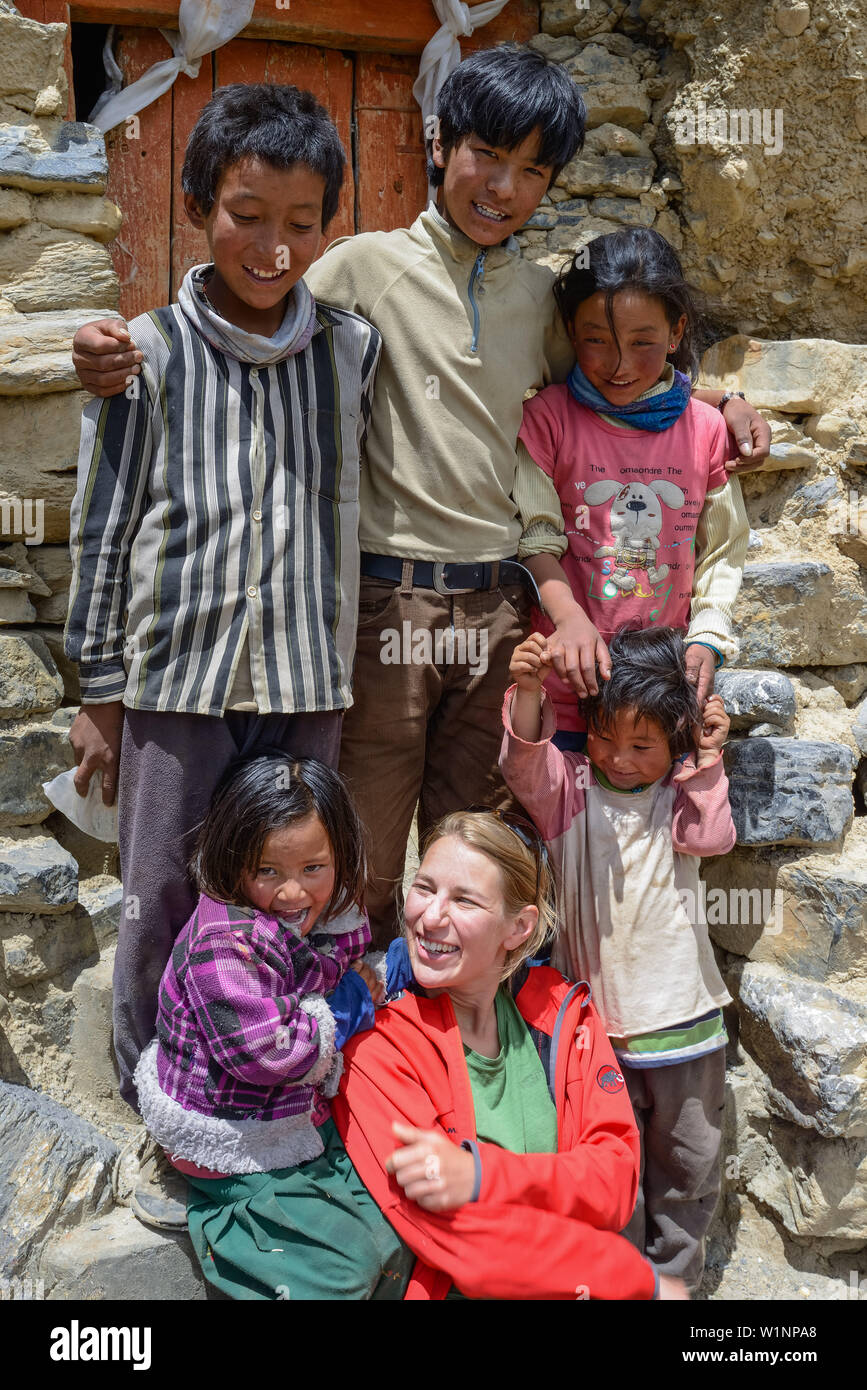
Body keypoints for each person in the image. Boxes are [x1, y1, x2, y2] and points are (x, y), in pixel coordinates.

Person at [69, 47, 770, 947]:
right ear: (439, 144)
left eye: (532, 171)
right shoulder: (360, 266)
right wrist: (114, 346)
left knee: (474, 832)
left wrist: (717, 399)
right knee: (357, 828)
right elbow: (247, 304)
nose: (502, 187)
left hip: (505, 613)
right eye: (486, 154)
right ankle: (345, 1020)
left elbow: (613, 384)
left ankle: (443, 1017)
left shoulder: (540, 300)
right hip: (380, 603)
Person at [64, 83, 381, 1139]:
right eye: (248, 212)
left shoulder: (352, 351)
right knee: (164, 890)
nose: (272, 245)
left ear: (328, 226)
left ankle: (277, 1082)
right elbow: (103, 523)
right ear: (199, 200)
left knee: (302, 898)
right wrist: (100, 690)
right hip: (178, 683)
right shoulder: (143, 356)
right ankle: (151, 1089)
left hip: (306, 685)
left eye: (301, 224)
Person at [332, 808, 686, 1299]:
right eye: (425, 888)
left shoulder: (563, 1014)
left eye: (464, 900)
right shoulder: (377, 1046)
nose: (430, 917)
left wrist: (479, 1174)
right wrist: (630, 1280)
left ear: (518, 928)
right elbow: (461, 1236)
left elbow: (616, 1182)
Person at [500, 624, 736, 1292]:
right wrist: (525, 688)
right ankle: (617, 1281)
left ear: (675, 742)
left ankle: (676, 1279)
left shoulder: (677, 803)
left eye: (643, 744)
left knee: (687, 1166)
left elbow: (712, 836)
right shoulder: (570, 797)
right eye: (605, 736)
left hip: (683, 1026)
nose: (620, 758)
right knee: (612, 1167)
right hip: (595, 1034)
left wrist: (708, 757)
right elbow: (523, 762)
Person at [135, 753, 393, 1282]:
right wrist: (344, 1007)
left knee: (391, 1229)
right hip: (230, 1133)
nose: (293, 893)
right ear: (233, 862)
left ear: (340, 856)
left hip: (291, 1111)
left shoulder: (330, 910)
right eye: (267, 871)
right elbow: (269, 1051)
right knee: (349, 1270)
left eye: (313, 869)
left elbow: (333, 963)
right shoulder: (223, 948)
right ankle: (220, 1218)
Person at [517, 227, 750, 750]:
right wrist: (569, 621)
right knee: (555, 821)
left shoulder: (706, 430)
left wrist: (708, 638)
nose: (618, 364)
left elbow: (724, 550)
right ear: (571, 333)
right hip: (561, 691)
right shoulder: (548, 420)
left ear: (676, 332)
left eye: (642, 342)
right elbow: (536, 538)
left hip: (659, 700)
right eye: (596, 339)